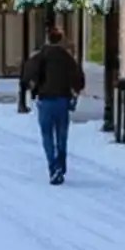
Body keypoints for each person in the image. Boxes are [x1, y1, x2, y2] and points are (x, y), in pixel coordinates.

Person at [21, 27, 86, 186]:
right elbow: (78, 78)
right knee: (62, 135)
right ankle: (61, 164)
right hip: (62, 100)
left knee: (47, 135)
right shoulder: (67, 58)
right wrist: (75, 91)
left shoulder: (40, 57)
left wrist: (31, 88)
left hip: (45, 100)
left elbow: (27, 75)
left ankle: (53, 166)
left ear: (47, 39)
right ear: (60, 40)